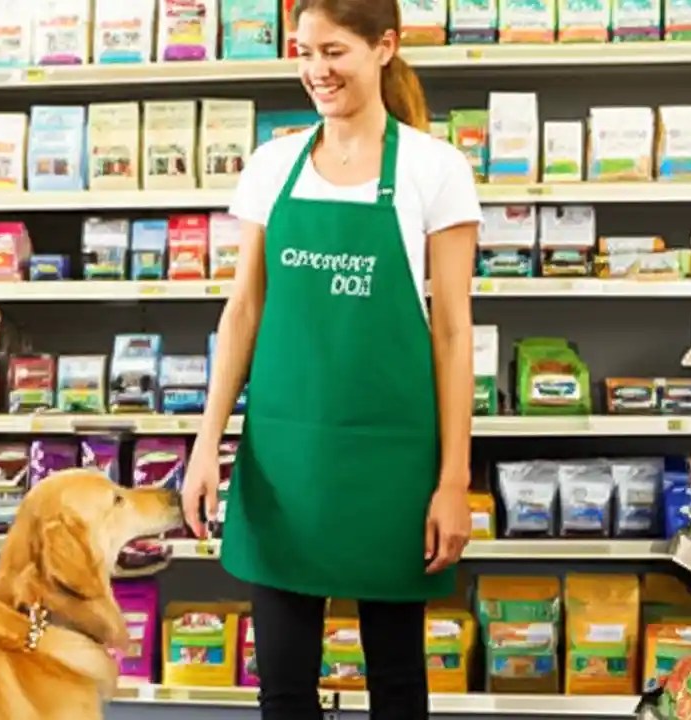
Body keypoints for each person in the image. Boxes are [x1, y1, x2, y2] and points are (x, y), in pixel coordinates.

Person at [180, 1, 482, 718]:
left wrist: (453, 481)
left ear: (385, 47)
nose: (316, 69)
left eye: (334, 51)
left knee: (399, 684)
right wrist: (205, 444)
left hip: (392, 462)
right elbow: (244, 310)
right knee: (282, 686)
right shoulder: (272, 165)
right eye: (303, 50)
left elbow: (454, 333)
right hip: (283, 460)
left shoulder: (435, 169)